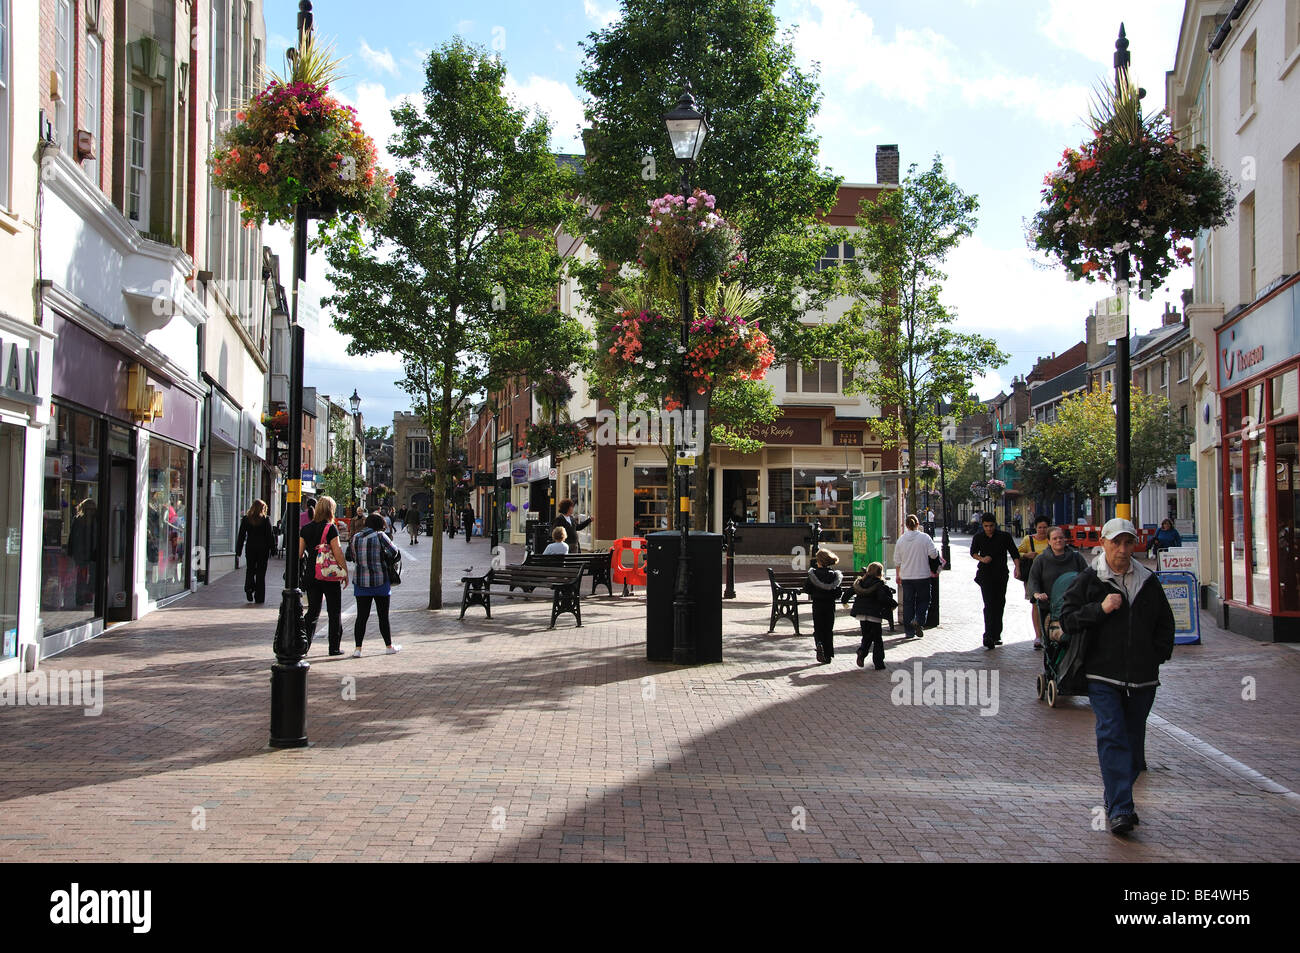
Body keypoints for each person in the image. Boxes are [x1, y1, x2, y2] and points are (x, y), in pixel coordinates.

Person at [1060, 518, 1175, 836]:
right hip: (1102, 674)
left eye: (1128, 543)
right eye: (1116, 543)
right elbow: (1067, 619)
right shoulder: (1090, 579)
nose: (1123, 550)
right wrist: (1099, 608)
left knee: (1134, 750)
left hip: (1142, 679)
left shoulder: (1148, 580)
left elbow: (1165, 624)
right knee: (1112, 735)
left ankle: (1117, 799)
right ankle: (1122, 809)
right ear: (1104, 542)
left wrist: (1156, 656)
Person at [300, 495, 348, 656]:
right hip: (329, 575)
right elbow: (338, 551)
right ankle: (334, 647)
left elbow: (299, 554)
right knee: (334, 612)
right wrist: (344, 571)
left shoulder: (305, 529)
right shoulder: (331, 528)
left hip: (312, 574)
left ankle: (304, 646)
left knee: (313, 611)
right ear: (331, 510)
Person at [348, 513, 402, 657]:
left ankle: (358, 649)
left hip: (361, 582)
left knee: (361, 617)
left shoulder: (355, 538)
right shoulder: (380, 536)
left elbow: (352, 557)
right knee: (383, 616)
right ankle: (388, 646)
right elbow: (394, 552)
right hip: (380, 581)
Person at [1027, 525, 1089, 643]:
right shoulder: (1041, 560)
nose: (1058, 541)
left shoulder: (1076, 557)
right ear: (1049, 541)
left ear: (1065, 539)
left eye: (1061, 538)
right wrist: (1037, 594)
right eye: (1054, 538)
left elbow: (1087, 577)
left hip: (1074, 606)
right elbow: (1033, 581)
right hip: (1051, 608)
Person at [970, 512, 1020, 649]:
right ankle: (988, 635)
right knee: (989, 604)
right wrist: (982, 559)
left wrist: (1018, 568)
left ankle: (997, 634)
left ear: (995, 525)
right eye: (986, 526)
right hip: (985, 575)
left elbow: (1014, 552)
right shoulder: (978, 537)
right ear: (982, 525)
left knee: (999, 603)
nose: (989, 529)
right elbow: (973, 552)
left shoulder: (1004, 537)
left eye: (991, 526)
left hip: (1001, 574)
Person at [894, 514, 940, 639]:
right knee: (924, 600)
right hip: (922, 575)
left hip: (907, 576)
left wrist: (898, 575)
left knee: (908, 603)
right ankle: (918, 620)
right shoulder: (925, 538)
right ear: (917, 524)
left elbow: (897, 561)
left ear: (906, 525)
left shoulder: (901, 540)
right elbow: (933, 555)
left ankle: (909, 631)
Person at [849, 561, 894, 670]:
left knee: (866, 636)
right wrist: (893, 603)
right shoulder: (879, 584)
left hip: (861, 614)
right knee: (877, 638)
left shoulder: (860, 583)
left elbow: (849, 592)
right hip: (874, 614)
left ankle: (862, 652)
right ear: (880, 572)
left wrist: (845, 600)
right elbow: (882, 598)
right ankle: (878, 663)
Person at [1019, 515, 1052, 648]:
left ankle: (1048, 634)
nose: (1042, 530)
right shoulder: (1028, 540)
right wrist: (1027, 555)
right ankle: (1038, 635)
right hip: (1033, 578)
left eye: (1045, 527)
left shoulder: (1051, 539)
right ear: (1035, 528)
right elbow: (1018, 553)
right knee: (1036, 605)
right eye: (1040, 527)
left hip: (1050, 577)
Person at [805, 549, 843, 664]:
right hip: (830, 604)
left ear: (819, 561)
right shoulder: (834, 575)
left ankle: (819, 644)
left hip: (817, 603)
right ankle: (828, 655)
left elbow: (807, 589)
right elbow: (838, 592)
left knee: (818, 627)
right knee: (828, 629)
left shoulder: (813, 574)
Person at [235, 500, 275, 604]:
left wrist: (238, 550)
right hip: (263, 549)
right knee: (261, 573)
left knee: (250, 570)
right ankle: (259, 597)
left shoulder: (246, 519)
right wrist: (273, 549)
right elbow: (270, 536)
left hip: (250, 548)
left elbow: (241, 536)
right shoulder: (265, 520)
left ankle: (248, 588)